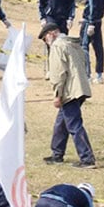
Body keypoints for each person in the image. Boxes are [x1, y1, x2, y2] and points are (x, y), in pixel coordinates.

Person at [40, 22, 96, 168]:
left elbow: (59, 73)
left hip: (69, 90)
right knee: (61, 123)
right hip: (81, 88)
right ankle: (57, 154)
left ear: (51, 33)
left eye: (45, 38)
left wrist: (57, 95)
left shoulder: (58, 46)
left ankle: (87, 158)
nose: (46, 42)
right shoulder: (73, 44)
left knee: (74, 124)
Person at [80, 0, 104, 83]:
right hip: (99, 18)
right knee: (98, 47)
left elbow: (92, 2)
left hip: (90, 19)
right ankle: (99, 74)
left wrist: (89, 21)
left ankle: (87, 75)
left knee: (84, 45)